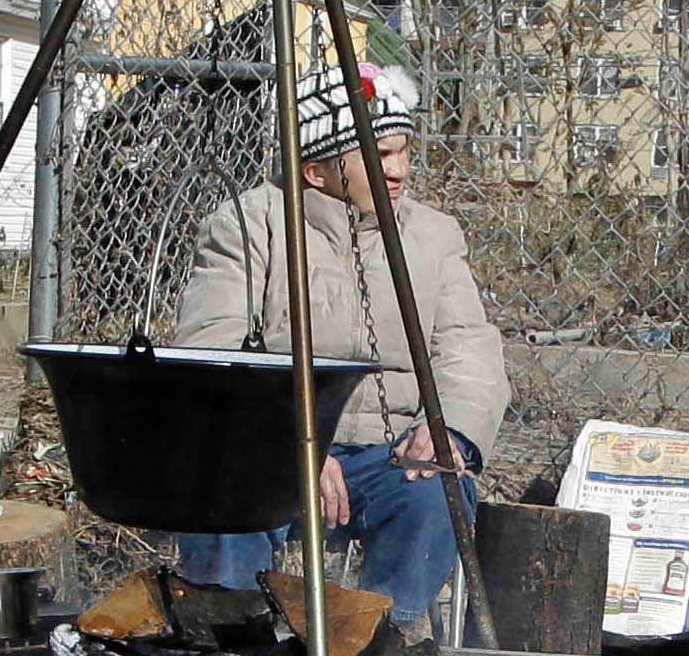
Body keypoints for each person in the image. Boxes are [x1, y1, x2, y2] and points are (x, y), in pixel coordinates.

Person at [172, 58, 511, 625]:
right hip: (274, 448)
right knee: (224, 499)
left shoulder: (432, 237)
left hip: (389, 450)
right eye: (381, 157)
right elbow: (213, 349)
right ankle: (233, 643)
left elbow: (469, 347)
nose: (400, 170)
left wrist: (450, 428)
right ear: (315, 170)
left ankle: (380, 645)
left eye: (405, 151)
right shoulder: (251, 226)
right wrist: (296, 440)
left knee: (434, 496)